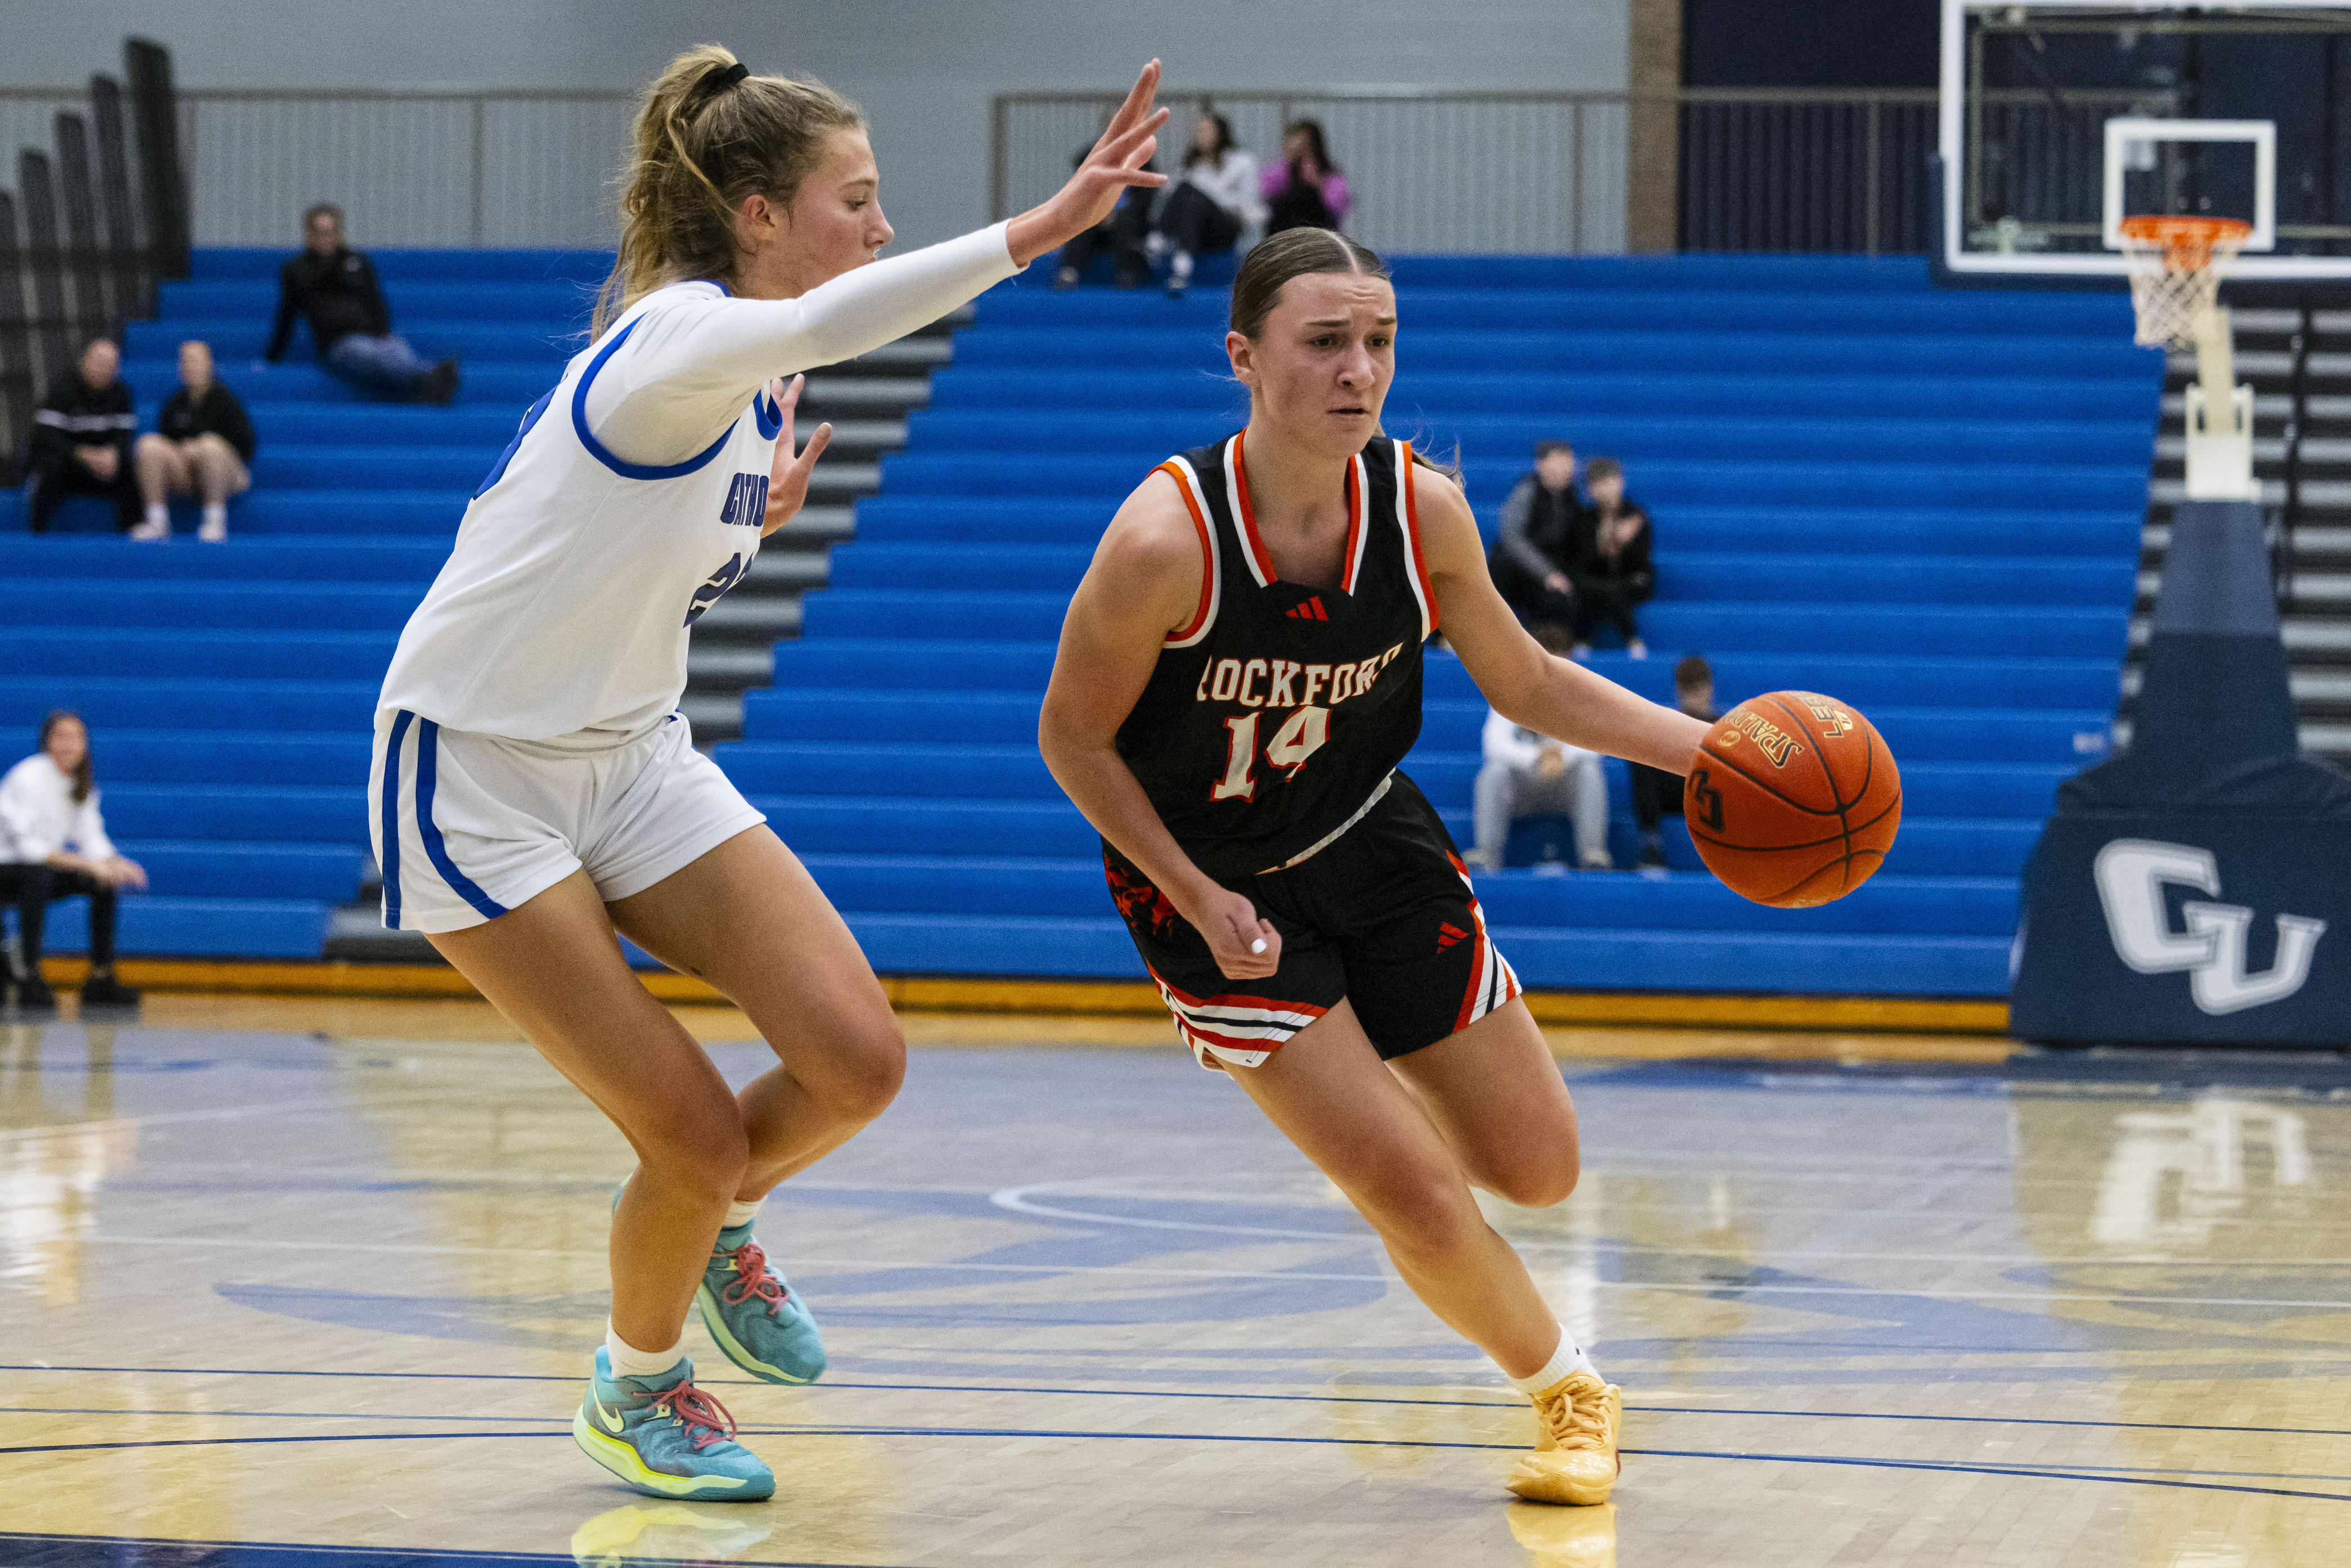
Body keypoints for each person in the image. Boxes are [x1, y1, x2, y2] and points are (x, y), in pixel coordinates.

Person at [367, 46, 1165, 1501]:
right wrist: (1039, 230)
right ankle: (639, 1385)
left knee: (857, 1059)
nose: (874, 225)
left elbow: (635, 562)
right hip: (478, 768)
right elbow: (864, 308)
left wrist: (759, 525)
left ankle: (722, 1211)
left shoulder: (748, 379)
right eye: (853, 200)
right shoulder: (677, 338)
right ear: (755, 214)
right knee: (686, 1127)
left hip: (632, 752)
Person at [1036, 227, 1713, 1510]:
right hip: (1211, 888)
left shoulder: (1421, 513)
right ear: (1243, 357)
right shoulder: (1162, 541)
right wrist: (1192, 893)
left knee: (1536, 1167)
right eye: (1326, 342)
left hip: (1370, 838)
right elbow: (1070, 736)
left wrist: (1715, 753)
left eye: (1380, 343)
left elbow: (1530, 680)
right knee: (1407, 1184)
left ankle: (1450, 1237)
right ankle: (1570, 1390)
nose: (1361, 370)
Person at [0, 711, 146, 1012]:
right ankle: (29, 974)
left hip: (38, 870)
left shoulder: (80, 783)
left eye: (76, 737)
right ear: (47, 742)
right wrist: (84, 863)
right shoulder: (28, 776)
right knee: (37, 876)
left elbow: (91, 837)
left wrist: (114, 862)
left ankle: (100, 979)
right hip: (9, 868)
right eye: (61, 737)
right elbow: (28, 848)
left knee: (102, 880)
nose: (69, 745)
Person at [267, 202, 460, 404]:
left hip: (374, 336)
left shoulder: (358, 261)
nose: (326, 238)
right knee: (370, 355)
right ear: (310, 233)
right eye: (320, 232)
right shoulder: (297, 270)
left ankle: (429, 378)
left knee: (398, 351)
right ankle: (429, 379)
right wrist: (272, 357)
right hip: (338, 341)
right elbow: (287, 313)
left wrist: (383, 332)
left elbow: (375, 300)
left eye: (331, 231)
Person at [1469, 629, 1612, 873]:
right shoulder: (1511, 694)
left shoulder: (1582, 695)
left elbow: (1597, 744)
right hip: (1523, 785)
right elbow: (1493, 745)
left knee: (1589, 771)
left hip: (1565, 784)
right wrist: (1539, 756)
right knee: (1493, 774)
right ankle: (1487, 855)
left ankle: (1592, 855)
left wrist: (1562, 757)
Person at [130, 340, 256, 542]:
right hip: (187, 473)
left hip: (228, 473)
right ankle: (157, 521)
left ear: (211, 365)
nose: (191, 366)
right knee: (148, 444)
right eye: (186, 362)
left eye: (197, 361)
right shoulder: (174, 403)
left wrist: (204, 446)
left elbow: (246, 448)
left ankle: (214, 521)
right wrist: (184, 450)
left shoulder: (227, 401)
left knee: (210, 445)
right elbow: (165, 441)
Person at [22, 337, 139, 533]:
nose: (104, 368)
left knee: (128, 466)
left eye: (111, 364)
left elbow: (125, 436)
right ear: (85, 361)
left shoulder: (122, 393)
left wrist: (112, 455)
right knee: (50, 466)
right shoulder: (62, 388)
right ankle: (38, 534)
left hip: (102, 469)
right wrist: (83, 454)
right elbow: (46, 437)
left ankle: (134, 531)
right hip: (68, 463)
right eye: (100, 362)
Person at [1150, 109, 1260, 296]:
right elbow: (1170, 200)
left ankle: (1158, 239)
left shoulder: (1243, 162)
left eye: (1206, 130)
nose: (1201, 136)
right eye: (1199, 131)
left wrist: (1210, 198)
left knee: (1192, 193)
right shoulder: (1191, 167)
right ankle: (1181, 266)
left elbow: (1250, 204)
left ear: (1221, 133)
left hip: (1226, 227)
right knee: (1184, 189)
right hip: (1198, 231)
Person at [1488, 440, 1586, 640]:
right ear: (1541, 464)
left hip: (1554, 569)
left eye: (1569, 462)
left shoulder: (1573, 498)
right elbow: (1512, 538)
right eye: (1559, 462)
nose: (1566, 468)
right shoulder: (1527, 491)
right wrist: (1546, 573)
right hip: (1522, 570)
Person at [1629, 655, 1717, 869]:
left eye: (1700, 689)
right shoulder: (1670, 726)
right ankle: (1652, 841)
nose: (1697, 697)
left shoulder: (1724, 728)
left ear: (1710, 688)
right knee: (1641, 749)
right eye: (1690, 691)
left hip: (1710, 795)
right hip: (1678, 790)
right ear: (1679, 692)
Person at [1055, 106, 1156, 289]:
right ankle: (1070, 271)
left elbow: (1145, 201)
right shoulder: (1091, 158)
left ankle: (1127, 273)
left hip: (1127, 222)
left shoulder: (1144, 160)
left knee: (1127, 223)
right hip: (1096, 220)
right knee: (1083, 219)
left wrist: (1116, 215)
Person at [1565, 457, 1653, 659]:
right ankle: (1632, 640)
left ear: (1621, 482)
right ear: (1590, 489)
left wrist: (1625, 545)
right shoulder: (1584, 519)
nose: (1605, 489)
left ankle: (1584, 641)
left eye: (1609, 482)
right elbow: (1581, 564)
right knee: (1593, 588)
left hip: (1629, 580)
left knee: (1613, 589)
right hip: (1596, 582)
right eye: (1598, 484)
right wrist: (1602, 544)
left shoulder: (1636, 516)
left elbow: (1640, 564)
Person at [1260, 119, 1350, 235]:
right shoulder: (1282, 169)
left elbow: (1335, 207)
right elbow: (1266, 194)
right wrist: (1288, 163)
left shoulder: (1330, 174)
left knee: (1307, 194)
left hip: (1319, 230)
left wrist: (1316, 182)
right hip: (1284, 229)